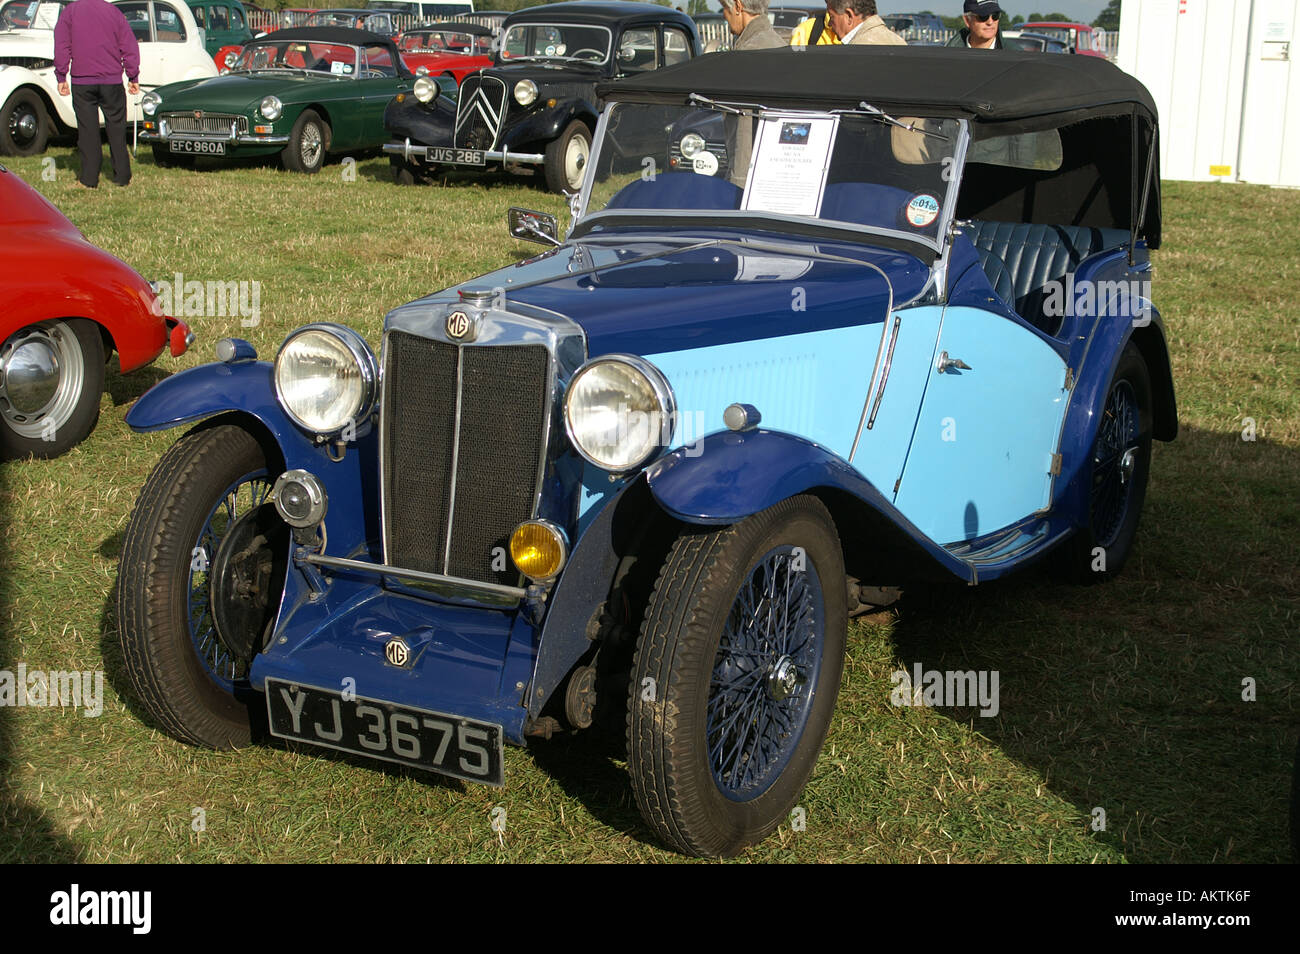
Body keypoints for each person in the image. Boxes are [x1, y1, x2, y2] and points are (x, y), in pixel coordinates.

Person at [54, 0, 140, 188]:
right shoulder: (113, 12)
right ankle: (123, 176)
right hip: (112, 80)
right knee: (117, 129)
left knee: (87, 131)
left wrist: (61, 76)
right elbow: (128, 44)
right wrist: (133, 76)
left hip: (82, 81)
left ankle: (89, 178)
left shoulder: (70, 12)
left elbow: (62, 45)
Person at [825, 0, 907, 45]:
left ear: (849, 16)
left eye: (832, 17)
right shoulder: (899, 41)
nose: (829, 24)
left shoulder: (856, 51)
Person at [720, 0, 785, 50]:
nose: (724, 15)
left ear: (738, 6)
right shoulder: (781, 44)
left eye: (725, 7)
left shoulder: (748, 51)